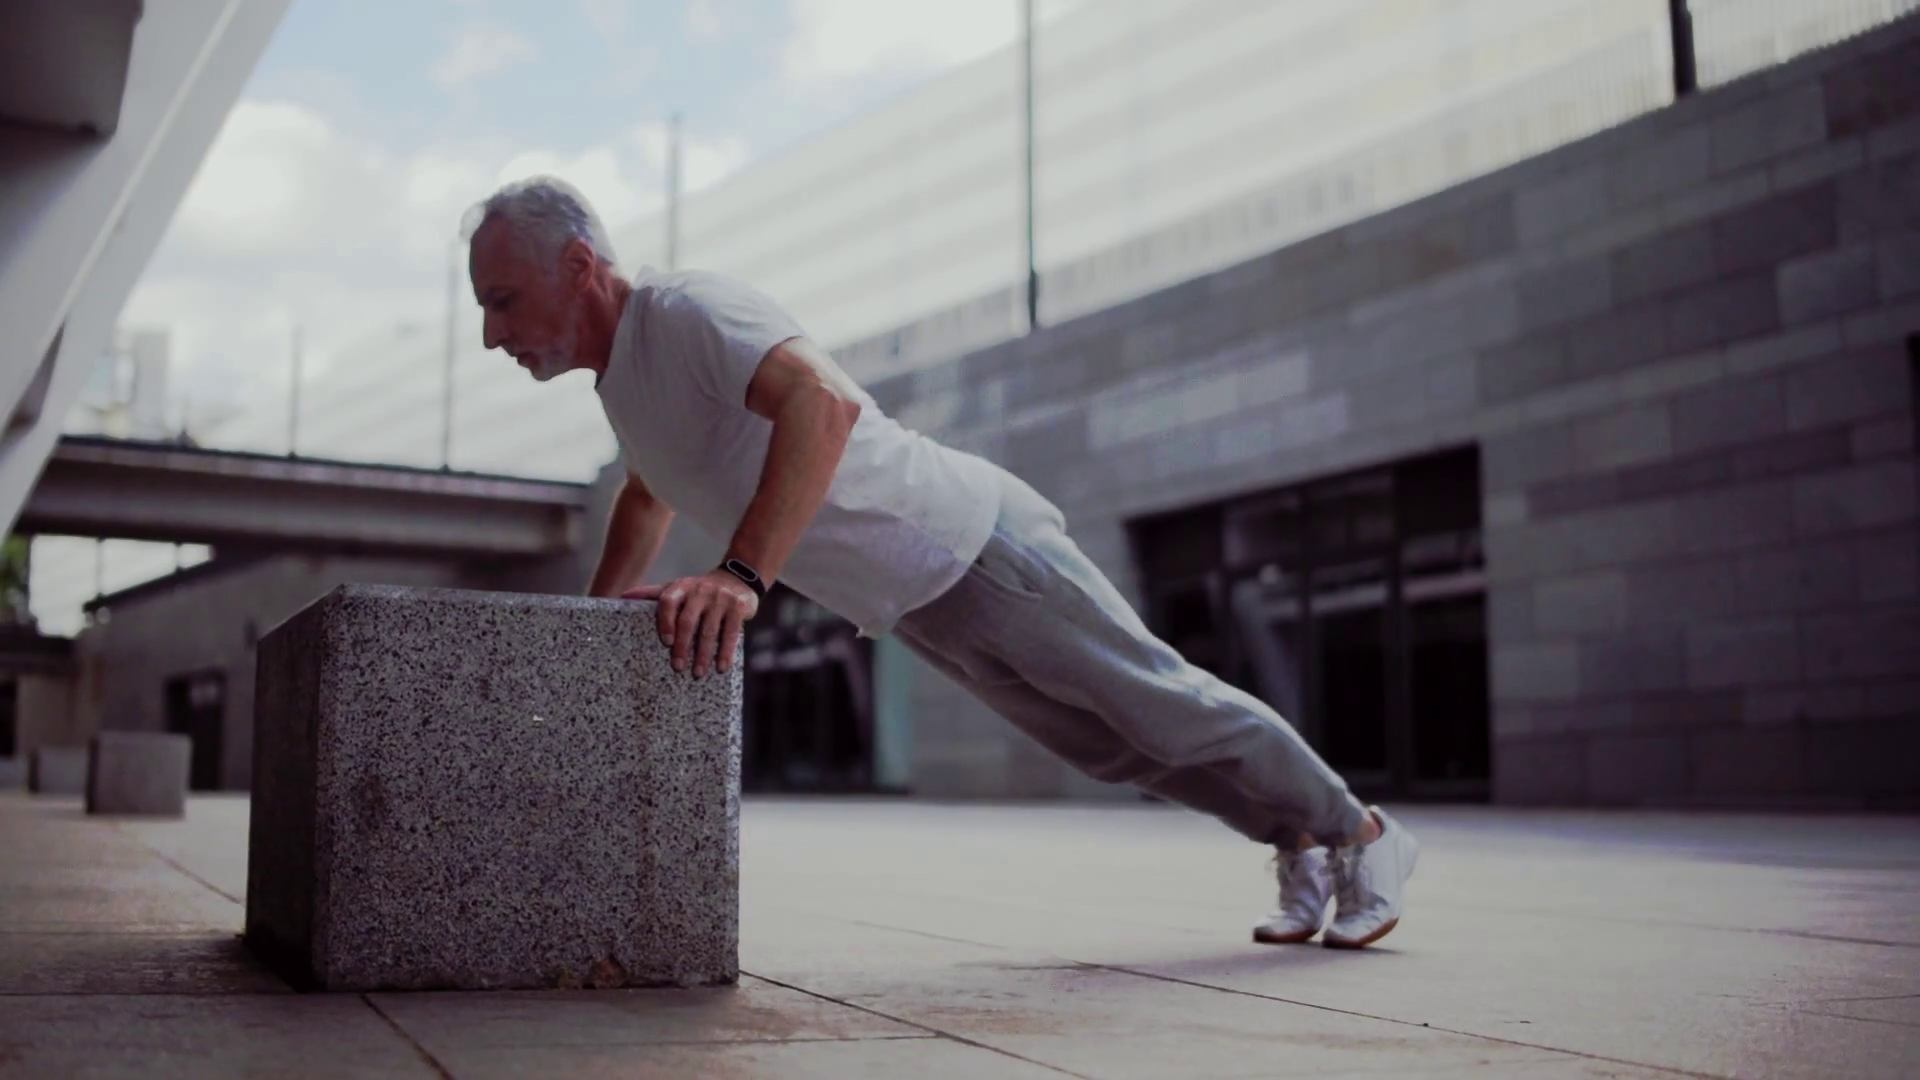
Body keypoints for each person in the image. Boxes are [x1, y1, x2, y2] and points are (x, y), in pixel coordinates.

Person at [461, 176, 1419, 949]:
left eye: (502, 300)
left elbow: (821, 407)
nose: (492, 333)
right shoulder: (625, 384)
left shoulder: (686, 311)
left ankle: (1363, 835)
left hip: (970, 540)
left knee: (1159, 701)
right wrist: (584, 629)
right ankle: (1294, 837)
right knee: (1115, 747)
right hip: (917, 602)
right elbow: (646, 491)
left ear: (580, 264)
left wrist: (741, 575)